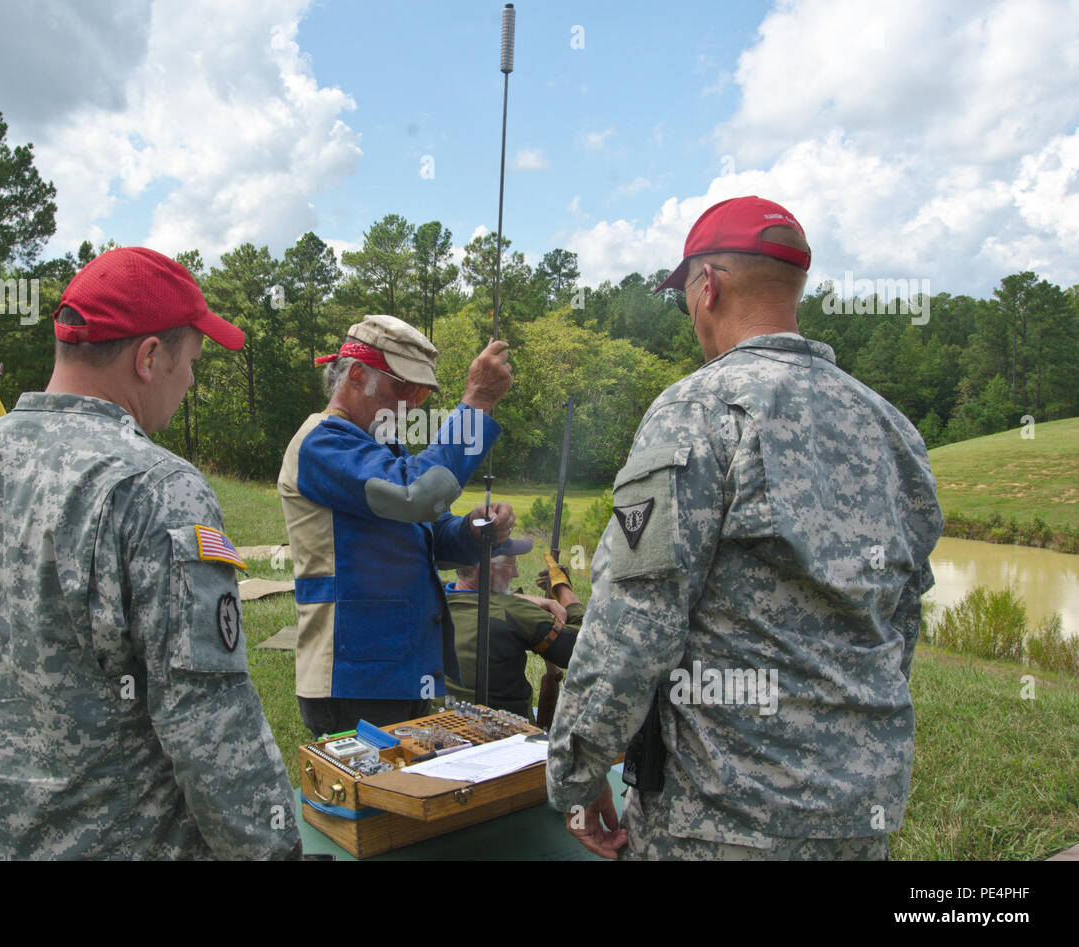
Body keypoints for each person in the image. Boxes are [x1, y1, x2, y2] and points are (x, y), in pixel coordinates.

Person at [546, 196, 943, 861]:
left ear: (708, 287)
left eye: (684, 301)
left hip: (718, 822)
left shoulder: (695, 411)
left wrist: (576, 777)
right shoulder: (892, 429)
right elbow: (901, 621)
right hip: (859, 817)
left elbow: (633, 625)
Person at [0, 247, 301, 860]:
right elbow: (209, 722)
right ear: (150, 357)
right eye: (193, 361)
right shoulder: (155, 486)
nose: (193, 380)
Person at [279, 314, 516, 737]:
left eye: (421, 393)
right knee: (378, 800)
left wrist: (474, 531)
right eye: (402, 388)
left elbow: (431, 535)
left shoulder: (378, 448)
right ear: (356, 375)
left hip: (399, 667)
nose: (410, 403)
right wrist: (476, 403)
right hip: (353, 678)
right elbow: (416, 494)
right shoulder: (322, 442)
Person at [444, 536, 584, 718]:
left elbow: (476, 595)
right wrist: (562, 587)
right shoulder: (513, 611)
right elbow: (580, 647)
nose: (516, 574)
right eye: (511, 566)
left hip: (440, 723)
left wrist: (532, 599)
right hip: (503, 734)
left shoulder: (435, 600)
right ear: (484, 568)